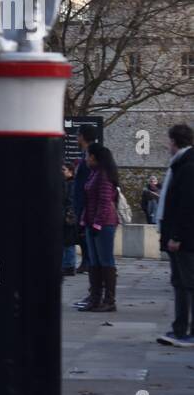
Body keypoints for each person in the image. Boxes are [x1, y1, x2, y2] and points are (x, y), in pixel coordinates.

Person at [157, 123, 194, 347]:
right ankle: (179, 328)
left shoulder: (187, 166)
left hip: (184, 238)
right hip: (179, 235)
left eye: (168, 140)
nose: (167, 144)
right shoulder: (181, 163)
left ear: (174, 141)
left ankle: (186, 331)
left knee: (188, 283)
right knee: (180, 282)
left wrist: (177, 235)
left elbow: (186, 205)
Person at [82, 142, 121, 312]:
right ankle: (95, 298)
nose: (85, 158)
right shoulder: (94, 173)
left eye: (87, 155)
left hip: (104, 224)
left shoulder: (103, 175)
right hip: (92, 223)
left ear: (94, 157)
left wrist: (97, 223)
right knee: (94, 261)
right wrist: (85, 220)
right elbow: (90, 200)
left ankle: (109, 300)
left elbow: (105, 202)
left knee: (106, 261)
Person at [71, 124, 98, 302]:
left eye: (78, 135)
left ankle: (96, 293)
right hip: (83, 207)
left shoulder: (91, 156)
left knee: (95, 253)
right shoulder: (84, 156)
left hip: (88, 209)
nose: (76, 138)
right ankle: (93, 292)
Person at [62, 163, 79, 276]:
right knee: (66, 242)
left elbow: (70, 200)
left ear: (71, 171)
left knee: (68, 242)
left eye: (64, 169)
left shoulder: (72, 184)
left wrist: (68, 214)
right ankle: (67, 264)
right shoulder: (67, 183)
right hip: (65, 215)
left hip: (68, 216)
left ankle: (69, 265)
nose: (61, 171)